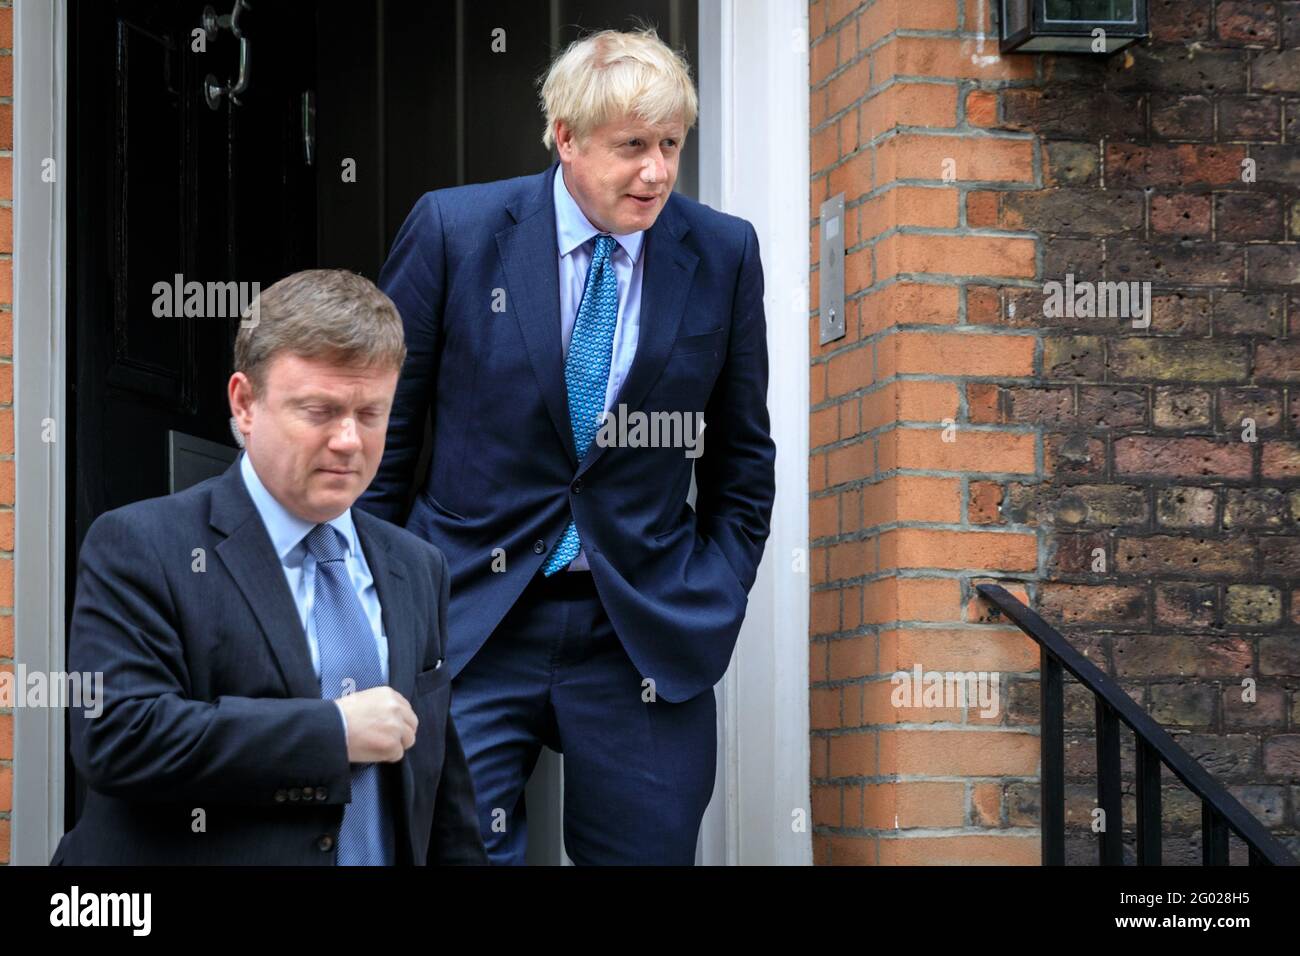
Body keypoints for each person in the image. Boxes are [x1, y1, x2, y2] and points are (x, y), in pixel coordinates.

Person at [359, 27, 776, 865]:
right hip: (470, 620)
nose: (656, 171)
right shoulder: (454, 232)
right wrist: (380, 611)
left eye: (670, 145)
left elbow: (744, 461)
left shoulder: (722, 253)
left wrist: (717, 584)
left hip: (642, 632)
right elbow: (382, 438)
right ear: (566, 139)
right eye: (631, 147)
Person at [52, 269, 487, 865]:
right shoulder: (140, 545)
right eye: (319, 410)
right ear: (245, 403)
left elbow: (440, 788)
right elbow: (119, 737)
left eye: (371, 413)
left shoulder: (417, 565)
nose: (349, 441)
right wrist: (330, 735)